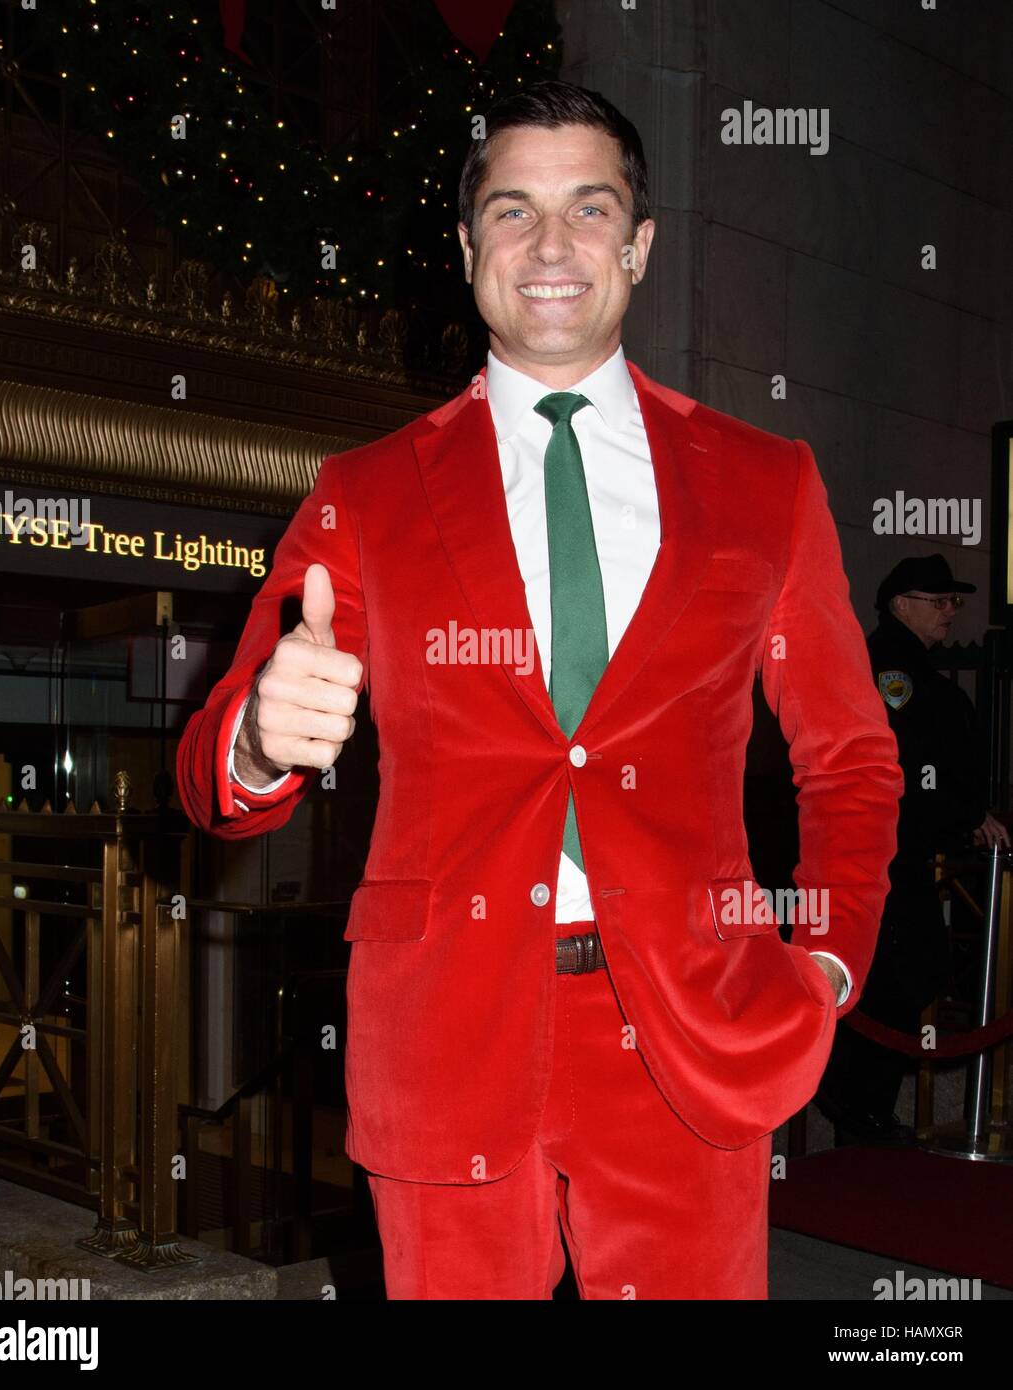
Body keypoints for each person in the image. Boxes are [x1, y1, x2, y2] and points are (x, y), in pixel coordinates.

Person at [177, 80, 902, 1299]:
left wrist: (822, 962)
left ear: (639, 243)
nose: (552, 247)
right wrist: (254, 739)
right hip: (447, 1034)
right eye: (513, 212)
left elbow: (850, 758)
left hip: (692, 1034)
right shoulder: (367, 490)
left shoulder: (766, 481)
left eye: (589, 208)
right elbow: (212, 776)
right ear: (466, 250)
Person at [818, 554, 1009, 1143]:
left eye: (955, 601)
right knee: (892, 984)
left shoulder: (906, 665)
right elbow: (906, 764)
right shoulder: (891, 670)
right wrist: (965, 813)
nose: (953, 611)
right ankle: (856, 1108)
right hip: (884, 855)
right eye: (940, 600)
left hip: (901, 852)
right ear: (902, 604)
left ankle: (862, 1109)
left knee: (900, 980)